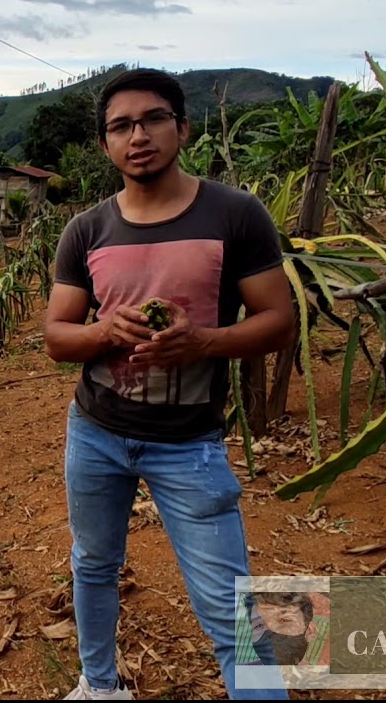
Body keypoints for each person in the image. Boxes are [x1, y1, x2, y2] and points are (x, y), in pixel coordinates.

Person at [43, 68, 296, 700]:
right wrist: (105, 332)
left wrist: (203, 341)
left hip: (190, 443)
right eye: (120, 126)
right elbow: (57, 337)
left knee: (228, 604)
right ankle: (99, 686)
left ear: (182, 127)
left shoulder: (234, 214)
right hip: (96, 432)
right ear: (106, 143)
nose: (138, 136)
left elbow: (279, 320)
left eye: (153, 119)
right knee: (94, 566)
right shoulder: (87, 230)